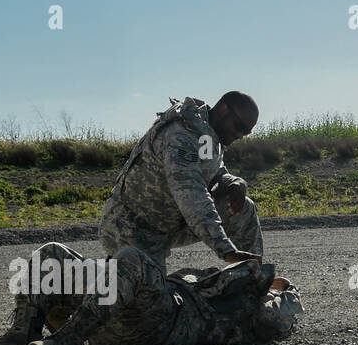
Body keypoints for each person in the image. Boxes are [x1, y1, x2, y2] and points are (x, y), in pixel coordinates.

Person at [0, 242, 302, 345]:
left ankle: (68, 342)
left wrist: (277, 289)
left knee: (132, 258)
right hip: (121, 312)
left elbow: (287, 305)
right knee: (53, 253)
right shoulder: (227, 285)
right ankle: (21, 334)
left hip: (166, 323)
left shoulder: (257, 313)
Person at [100, 91, 264, 272]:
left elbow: (213, 171)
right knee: (148, 294)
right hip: (133, 228)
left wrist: (234, 182)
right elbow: (192, 196)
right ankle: (94, 276)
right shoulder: (182, 134)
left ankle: (254, 280)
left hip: (171, 225)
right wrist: (226, 250)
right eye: (239, 126)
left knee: (244, 208)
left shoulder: (207, 135)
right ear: (224, 109)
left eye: (246, 132)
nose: (241, 135)